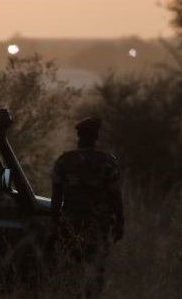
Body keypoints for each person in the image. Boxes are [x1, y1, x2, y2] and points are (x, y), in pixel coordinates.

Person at [51, 117, 124, 297]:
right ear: (96, 136)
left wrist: (55, 224)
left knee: (71, 270)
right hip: (98, 225)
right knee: (95, 270)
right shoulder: (108, 162)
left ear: (78, 136)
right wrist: (120, 221)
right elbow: (115, 195)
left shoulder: (63, 161)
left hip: (71, 225)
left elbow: (56, 197)